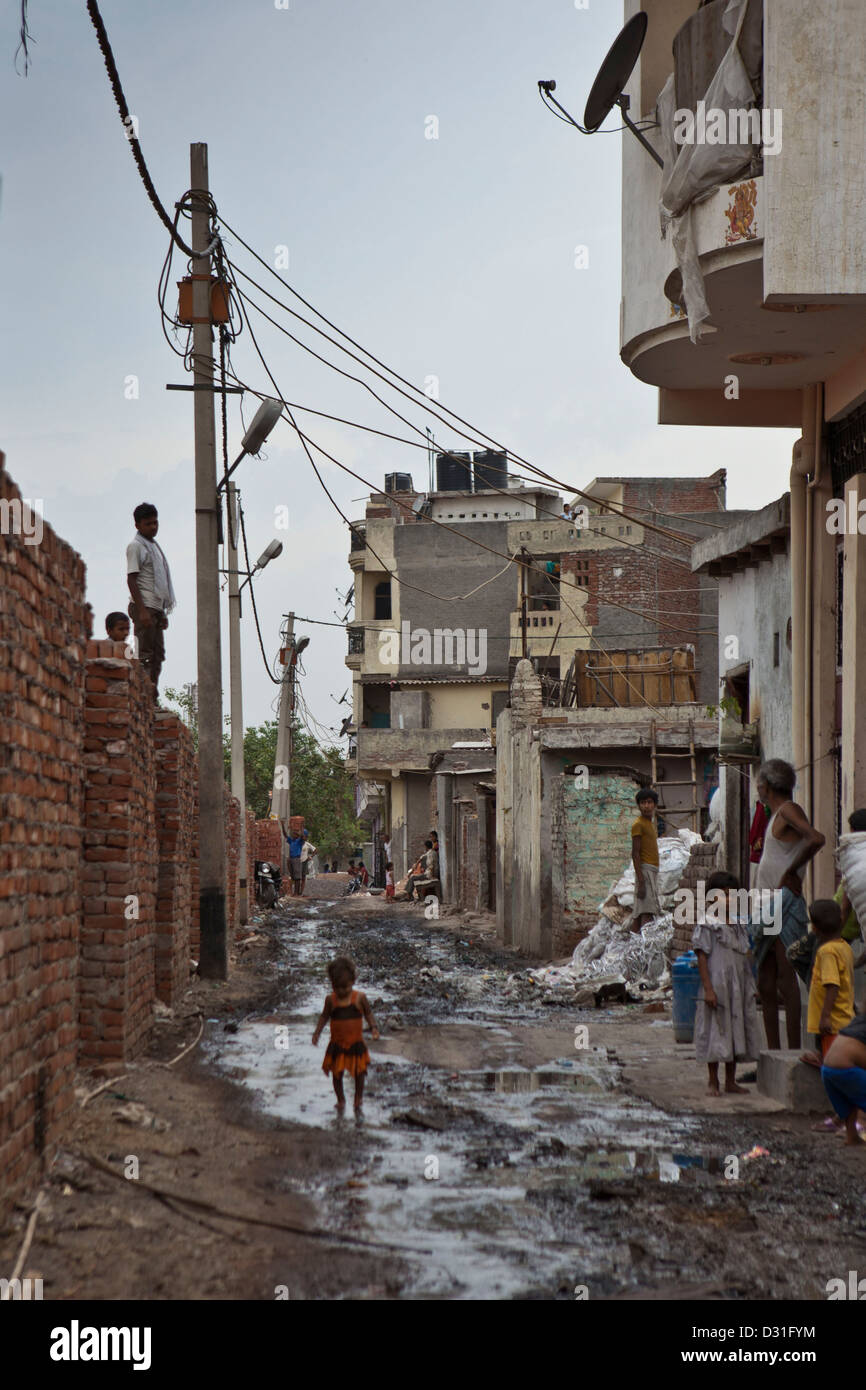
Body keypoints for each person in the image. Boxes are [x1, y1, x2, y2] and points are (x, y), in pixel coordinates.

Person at [753, 759, 826, 1050]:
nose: (759, 788)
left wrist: (792, 871)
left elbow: (816, 838)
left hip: (783, 904)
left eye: (760, 784)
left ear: (767, 786)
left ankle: (793, 1051)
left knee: (785, 979)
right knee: (766, 982)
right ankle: (772, 1053)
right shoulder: (777, 813)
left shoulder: (788, 810)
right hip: (768, 903)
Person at [693, 870, 760, 1096]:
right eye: (723, 895)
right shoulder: (708, 924)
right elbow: (702, 957)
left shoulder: (739, 924)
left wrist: (751, 985)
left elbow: (744, 956)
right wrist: (709, 989)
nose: (728, 900)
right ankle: (713, 1081)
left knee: (736, 1031)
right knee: (716, 1030)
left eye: (732, 895)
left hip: (738, 986)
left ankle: (730, 1080)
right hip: (718, 986)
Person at [312, 957, 379, 1113]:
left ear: (353, 981)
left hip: (356, 1043)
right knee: (337, 1074)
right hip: (337, 1044)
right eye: (337, 987)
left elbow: (368, 1013)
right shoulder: (330, 1000)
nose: (341, 991)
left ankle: (358, 1098)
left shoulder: (359, 998)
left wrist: (374, 1027)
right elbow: (324, 1017)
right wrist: (317, 1033)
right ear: (332, 984)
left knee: (360, 1072)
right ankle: (341, 1099)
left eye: (345, 987)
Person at [126, 503, 175, 702]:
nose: (153, 527)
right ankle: (141, 697)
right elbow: (131, 579)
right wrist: (142, 610)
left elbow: (159, 582)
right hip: (143, 607)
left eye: (155, 523)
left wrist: (162, 612)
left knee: (157, 656)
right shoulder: (136, 546)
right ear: (137, 525)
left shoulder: (154, 547)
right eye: (148, 524)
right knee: (144, 655)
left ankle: (150, 697)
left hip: (155, 608)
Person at [802, 899, 855, 1069]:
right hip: (842, 1017)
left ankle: (824, 1059)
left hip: (832, 1020)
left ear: (815, 928)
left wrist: (825, 1016)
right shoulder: (844, 947)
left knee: (832, 1060)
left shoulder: (827, 952)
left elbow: (832, 985)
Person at [821, 1009, 866, 1145]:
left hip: (827, 1069)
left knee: (849, 1102)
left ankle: (851, 1136)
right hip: (846, 1069)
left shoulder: (858, 1021)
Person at [631, 788, 661, 931]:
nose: (646, 806)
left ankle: (632, 943)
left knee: (639, 912)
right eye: (643, 803)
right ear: (639, 806)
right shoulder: (638, 824)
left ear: (654, 805)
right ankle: (643, 943)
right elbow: (635, 853)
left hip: (651, 870)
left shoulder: (650, 823)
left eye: (649, 802)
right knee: (647, 912)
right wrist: (641, 881)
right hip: (645, 871)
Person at [284, 824, 309, 897]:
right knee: (293, 876)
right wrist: (283, 825)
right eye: (292, 834)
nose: (293, 835)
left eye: (294, 834)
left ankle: (296, 893)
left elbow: (302, 836)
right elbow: (285, 835)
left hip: (296, 859)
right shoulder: (291, 841)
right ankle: (294, 892)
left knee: (297, 877)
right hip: (291, 859)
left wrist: (301, 827)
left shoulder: (299, 841)